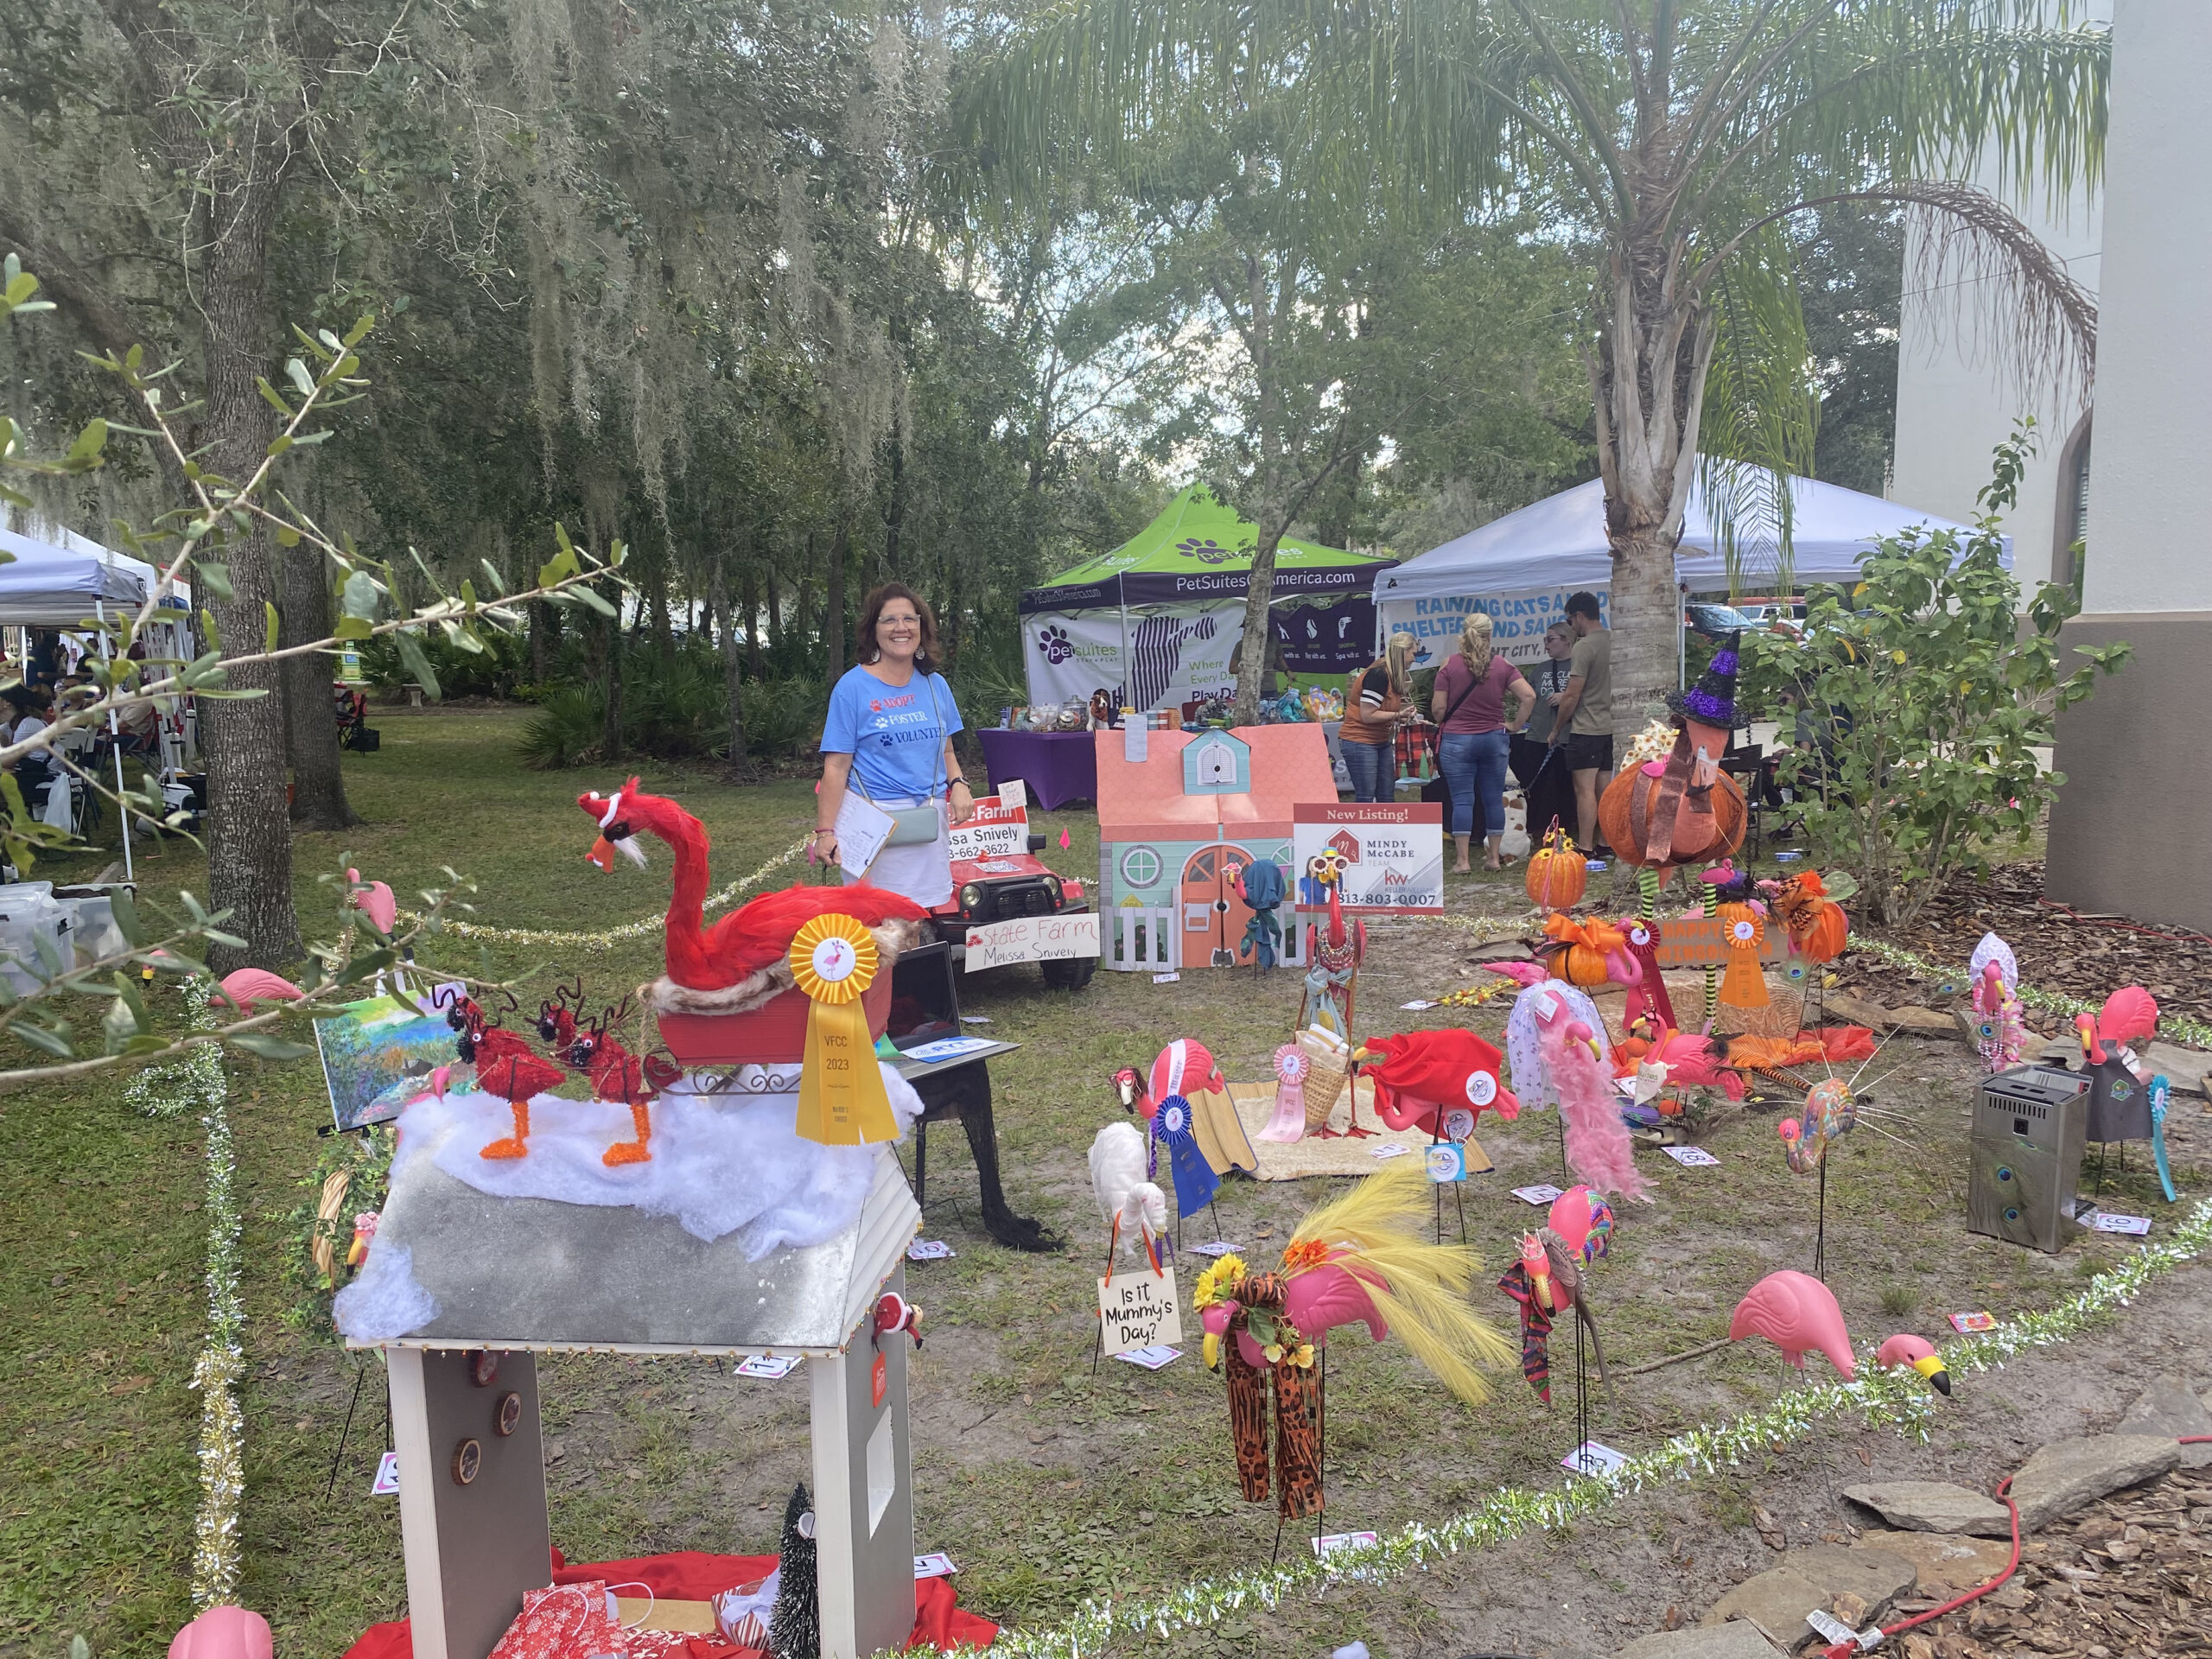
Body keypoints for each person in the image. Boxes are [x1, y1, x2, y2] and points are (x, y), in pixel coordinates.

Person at [810, 583, 976, 906]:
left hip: (928, 823)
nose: (901, 628)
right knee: (876, 921)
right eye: (889, 620)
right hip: (871, 825)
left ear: (921, 627)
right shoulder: (852, 687)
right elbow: (836, 766)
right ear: (873, 630)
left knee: (920, 918)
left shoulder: (936, 685)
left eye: (909, 619)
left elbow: (947, 750)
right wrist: (825, 832)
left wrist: (958, 784)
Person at [1430, 614, 1535, 874]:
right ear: (1490, 635)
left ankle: (1463, 861)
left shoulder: (1449, 666)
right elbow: (1529, 696)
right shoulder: (1502, 665)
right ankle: (1494, 860)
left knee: (1462, 801)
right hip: (1493, 739)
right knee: (1492, 799)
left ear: (1464, 634)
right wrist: (1514, 725)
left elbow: (1439, 710)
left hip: (1456, 741)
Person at [1546, 591, 1613, 851]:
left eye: (1570, 621)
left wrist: (1556, 728)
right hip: (1609, 726)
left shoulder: (1584, 646)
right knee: (1604, 790)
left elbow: (1572, 694)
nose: (1572, 627)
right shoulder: (1613, 640)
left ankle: (1585, 846)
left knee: (1584, 790)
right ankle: (1605, 841)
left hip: (1587, 728)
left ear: (1579, 616)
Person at [1510, 620, 1576, 845]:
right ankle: (1535, 828)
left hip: (1566, 737)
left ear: (1567, 640)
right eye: (1545, 640)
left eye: (1551, 639)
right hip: (1537, 735)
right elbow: (1527, 695)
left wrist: (1565, 698)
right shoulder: (1541, 669)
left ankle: (1563, 831)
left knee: (1565, 787)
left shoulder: (1579, 667)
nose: (1546, 644)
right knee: (1534, 785)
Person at [1337, 632, 1417, 803]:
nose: (1414, 659)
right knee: (1366, 796)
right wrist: (1397, 715)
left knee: (1387, 795)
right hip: (1359, 741)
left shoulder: (1392, 675)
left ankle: (1386, 829)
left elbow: (1383, 711)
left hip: (1381, 741)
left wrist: (1402, 716)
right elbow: (1368, 715)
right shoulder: (1378, 675)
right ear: (1403, 652)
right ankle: (1361, 829)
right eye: (1413, 654)